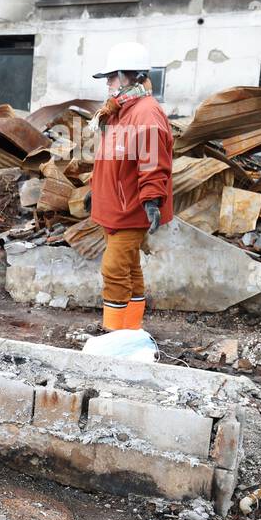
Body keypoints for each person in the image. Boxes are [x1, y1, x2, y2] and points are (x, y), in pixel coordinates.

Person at [88, 43, 174, 331]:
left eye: (112, 77)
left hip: (132, 210)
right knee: (130, 268)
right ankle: (131, 330)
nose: (109, 84)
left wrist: (152, 200)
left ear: (130, 77)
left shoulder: (146, 112)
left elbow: (153, 162)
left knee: (113, 270)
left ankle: (113, 333)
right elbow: (110, 159)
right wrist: (95, 190)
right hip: (116, 207)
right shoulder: (120, 111)